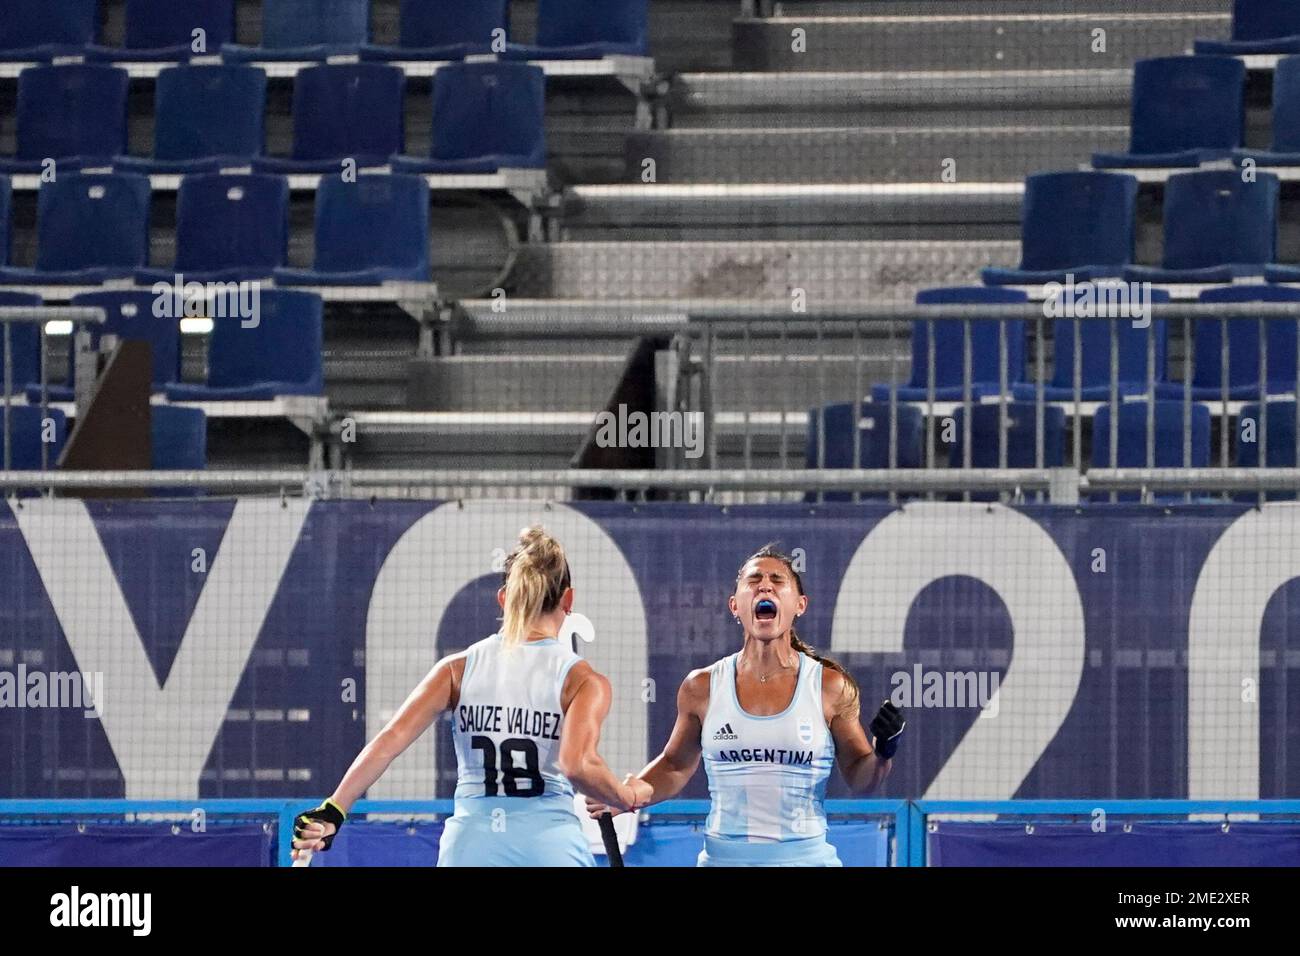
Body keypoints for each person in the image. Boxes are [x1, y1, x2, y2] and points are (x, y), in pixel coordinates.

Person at [293, 525, 651, 866]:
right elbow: (578, 765)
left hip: (471, 846)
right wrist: (625, 796)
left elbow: (389, 741)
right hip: (548, 844)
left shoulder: (457, 669)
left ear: (502, 599)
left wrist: (335, 808)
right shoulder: (582, 679)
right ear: (568, 599)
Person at [589, 543, 904, 867]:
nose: (764, 585)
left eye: (777, 580)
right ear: (735, 605)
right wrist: (625, 795)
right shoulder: (701, 687)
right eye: (754, 580)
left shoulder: (828, 686)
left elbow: (860, 777)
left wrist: (883, 753)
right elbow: (674, 765)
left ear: (800, 605)